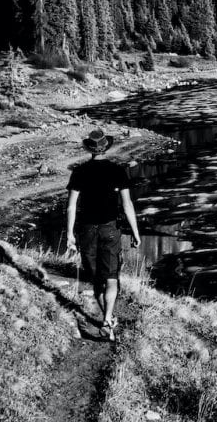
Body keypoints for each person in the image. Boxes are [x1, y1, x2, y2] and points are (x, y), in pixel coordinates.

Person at [65, 127, 141, 341]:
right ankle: (107, 320)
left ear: (90, 149)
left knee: (96, 277)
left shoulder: (79, 171)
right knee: (111, 278)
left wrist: (69, 234)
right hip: (110, 228)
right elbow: (127, 205)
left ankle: (107, 320)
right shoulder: (117, 171)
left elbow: (71, 207)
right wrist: (135, 232)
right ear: (106, 147)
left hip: (86, 230)